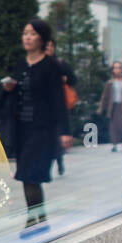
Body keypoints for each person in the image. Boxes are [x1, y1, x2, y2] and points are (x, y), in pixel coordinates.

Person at [0, 18, 71, 231]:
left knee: (29, 173)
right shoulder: (21, 63)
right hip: (21, 128)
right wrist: (9, 88)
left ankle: (33, 220)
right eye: (25, 33)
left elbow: (59, 100)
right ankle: (40, 219)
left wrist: (65, 132)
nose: (27, 37)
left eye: (31, 33)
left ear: (42, 38)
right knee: (27, 175)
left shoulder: (51, 66)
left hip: (42, 129)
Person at [46, 38, 78, 176]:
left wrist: (64, 78)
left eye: (51, 46)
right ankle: (50, 163)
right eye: (46, 46)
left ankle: (59, 162)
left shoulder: (60, 64)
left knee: (57, 136)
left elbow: (73, 79)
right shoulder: (37, 64)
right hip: (43, 106)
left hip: (58, 104)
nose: (48, 48)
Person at [99, 60, 122, 151]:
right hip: (113, 106)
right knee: (113, 126)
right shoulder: (110, 83)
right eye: (115, 68)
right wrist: (101, 109)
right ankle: (114, 144)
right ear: (113, 70)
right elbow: (105, 97)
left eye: (119, 68)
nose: (117, 70)